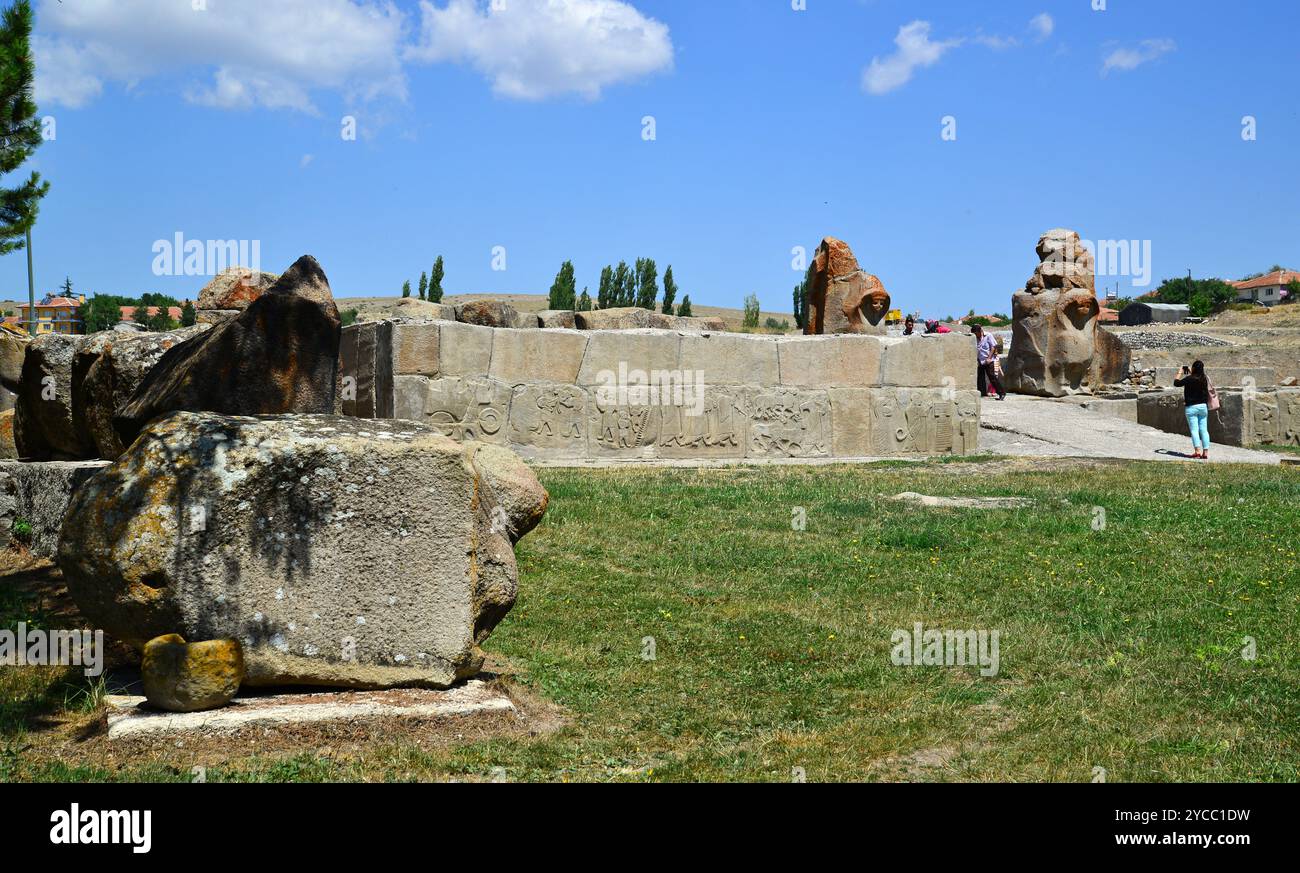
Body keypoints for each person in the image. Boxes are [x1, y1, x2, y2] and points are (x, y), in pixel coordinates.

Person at [1173, 360, 1211, 460]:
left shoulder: (1189, 379)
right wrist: (1192, 371)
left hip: (1191, 408)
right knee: (1204, 430)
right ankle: (1205, 453)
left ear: (1193, 368)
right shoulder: (1204, 378)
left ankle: (1197, 452)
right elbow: (1197, 377)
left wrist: (1180, 372)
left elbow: (1176, 383)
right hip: (1203, 407)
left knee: (1194, 430)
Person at [972, 325, 1005, 400]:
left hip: (989, 360)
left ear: (980, 331)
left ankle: (1001, 393)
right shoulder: (974, 338)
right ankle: (982, 393)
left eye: (976, 333)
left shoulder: (988, 335)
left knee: (992, 377)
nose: (976, 335)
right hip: (980, 360)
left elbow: (993, 346)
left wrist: (989, 358)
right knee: (980, 378)